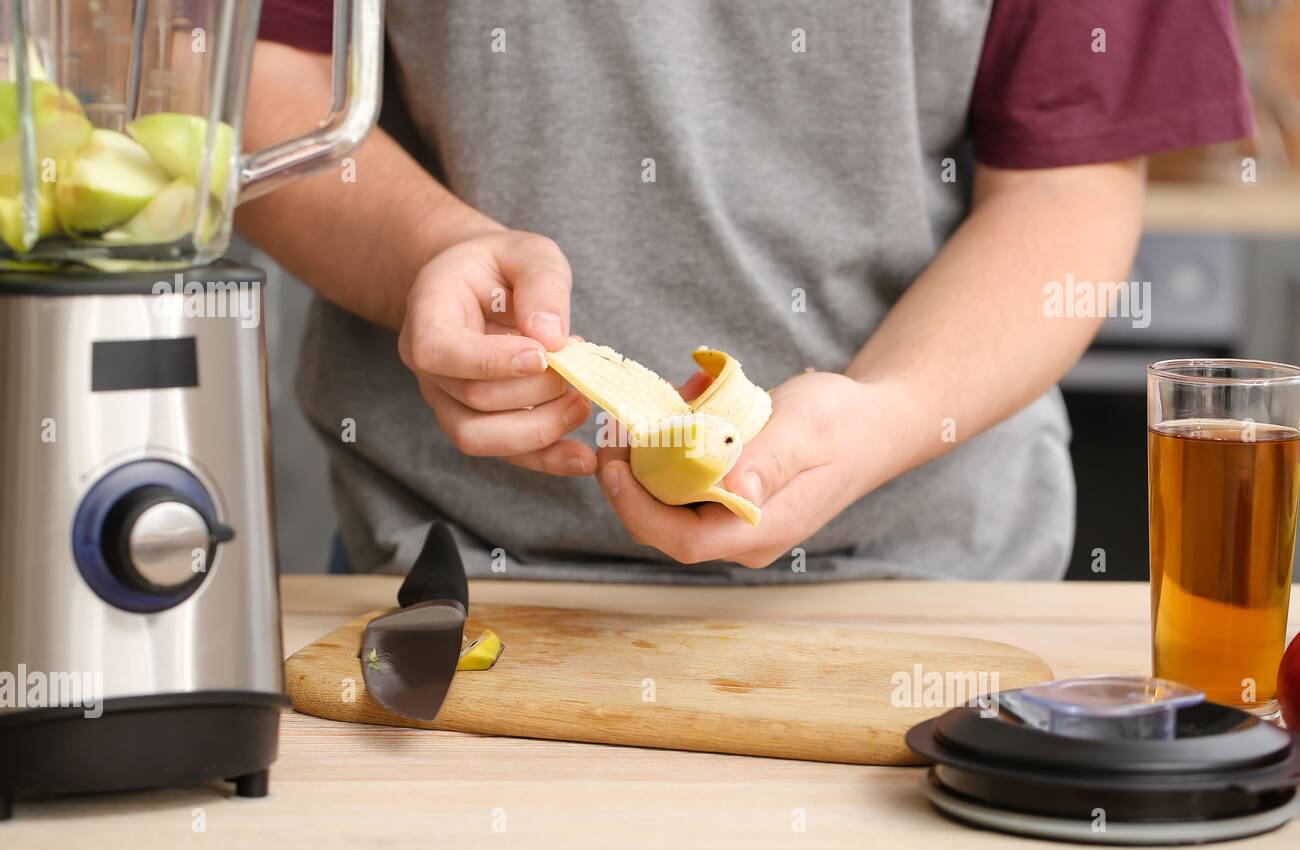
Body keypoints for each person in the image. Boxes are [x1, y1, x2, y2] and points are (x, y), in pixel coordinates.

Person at [241, 0, 1253, 582]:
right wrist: (432, 248)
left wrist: (888, 413)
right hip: (448, 582)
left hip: (922, 589)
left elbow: (1065, 186)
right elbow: (248, 75)